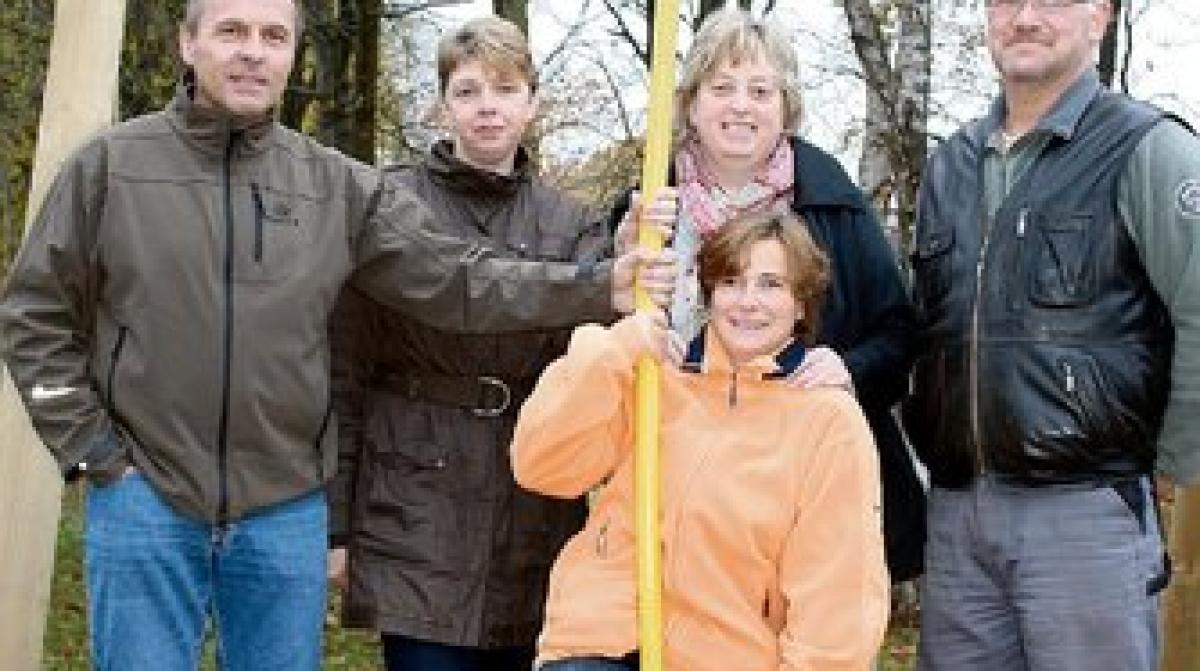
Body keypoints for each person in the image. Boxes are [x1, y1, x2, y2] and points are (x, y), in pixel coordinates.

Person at [0, 0, 674, 669]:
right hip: (147, 497)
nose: (252, 51)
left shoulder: (337, 186)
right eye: (231, 31)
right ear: (187, 42)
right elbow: (33, 313)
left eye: (273, 36)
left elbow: (460, 279)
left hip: (283, 509)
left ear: (292, 53)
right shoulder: (111, 166)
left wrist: (599, 286)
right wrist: (93, 452)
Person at [323, 17, 675, 671]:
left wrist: (623, 266)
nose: (488, 107)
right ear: (441, 105)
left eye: (506, 89)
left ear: (533, 103)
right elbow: (343, 371)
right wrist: (335, 526)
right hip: (413, 503)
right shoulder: (389, 205)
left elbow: (598, 368)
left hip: (532, 509)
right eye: (467, 90)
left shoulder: (572, 225)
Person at [903, 1, 1200, 669]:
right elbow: (922, 328)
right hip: (957, 517)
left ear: (1099, 17)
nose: (1027, 17)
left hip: (1085, 515)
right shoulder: (949, 165)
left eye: (1054, 0)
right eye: (1007, 1)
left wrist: (1172, 463)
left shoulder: (1149, 149)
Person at [610, 7, 922, 582]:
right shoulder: (650, 209)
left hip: (802, 499)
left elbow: (898, 333)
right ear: (691, 104)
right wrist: (621, 302)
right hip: (678, 491)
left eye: (760, 91)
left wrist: (849, 370)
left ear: (786, 107)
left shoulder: (832, 206)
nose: (740, 106)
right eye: (721, 88)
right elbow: (603, 349)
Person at [510, 212, 890, 670]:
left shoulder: (827, 421)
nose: (748, 302)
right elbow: (540, 466)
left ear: (801, 305)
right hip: (601, 642)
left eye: (771, 285)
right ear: (709, 295)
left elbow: (838, 592)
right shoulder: (654, 381)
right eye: (731, 282)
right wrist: (611, 351)